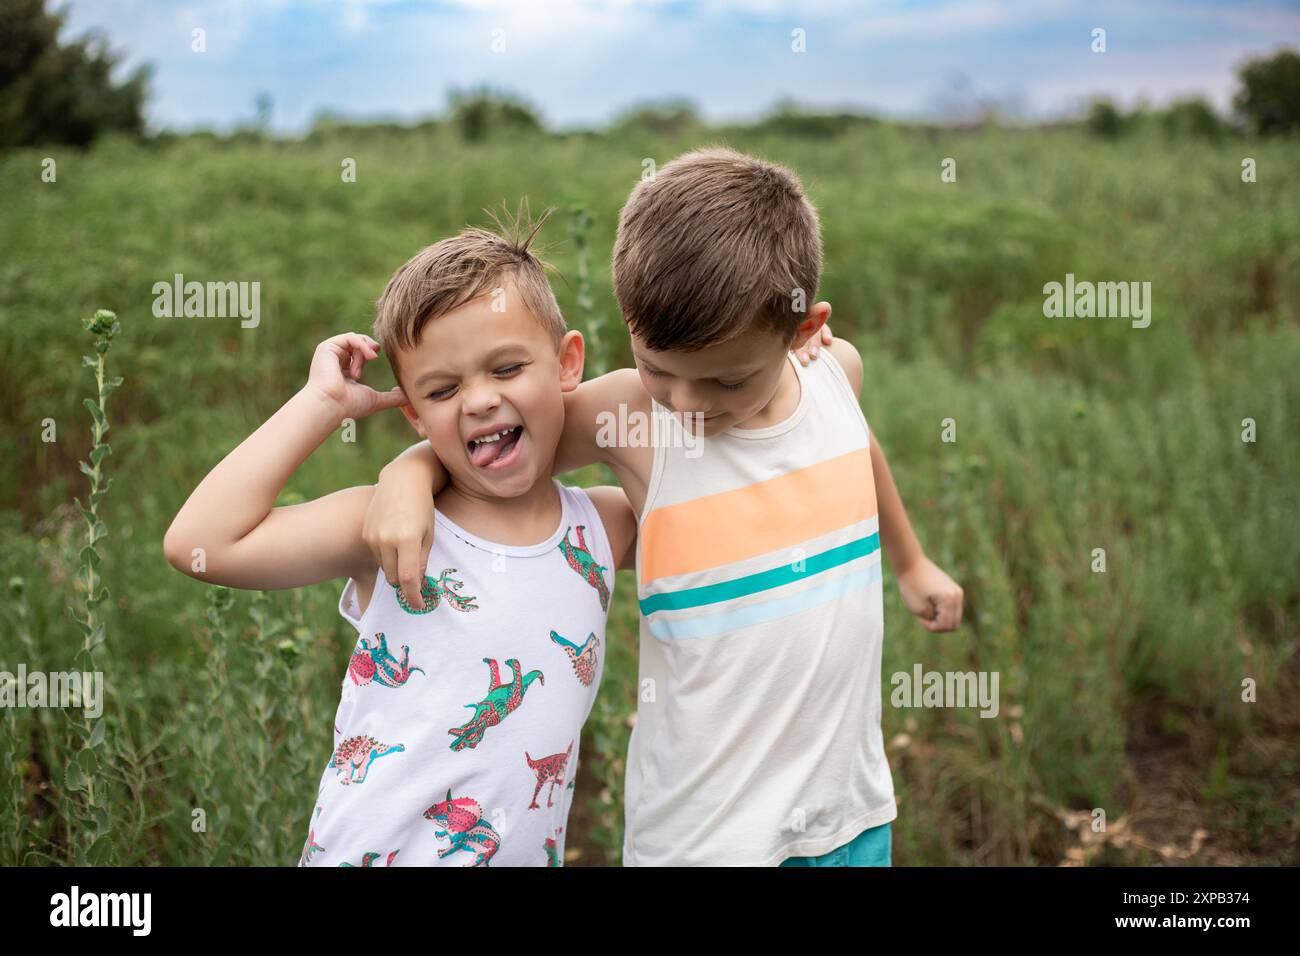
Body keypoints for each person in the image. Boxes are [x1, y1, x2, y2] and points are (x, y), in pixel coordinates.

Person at [364, 148, 964, 866]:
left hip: (849, 811)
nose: (686, 403)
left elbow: (859, 456)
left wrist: (912, 560)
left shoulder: (837, 374)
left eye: (725, 382)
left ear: (803, 330)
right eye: (657, 368)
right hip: (707, 836)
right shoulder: (634, 416)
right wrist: (409, 471)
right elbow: (498, 440)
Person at [164, 210, 636, 866]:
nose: (477, 401)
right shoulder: (388, 527)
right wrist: (321, 405)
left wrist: (817, 362)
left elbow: (698, 453)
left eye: (505, 369)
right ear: (413, 414)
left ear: (568, 363)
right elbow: (202, 543)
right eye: (443, 390)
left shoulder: (603, 528)